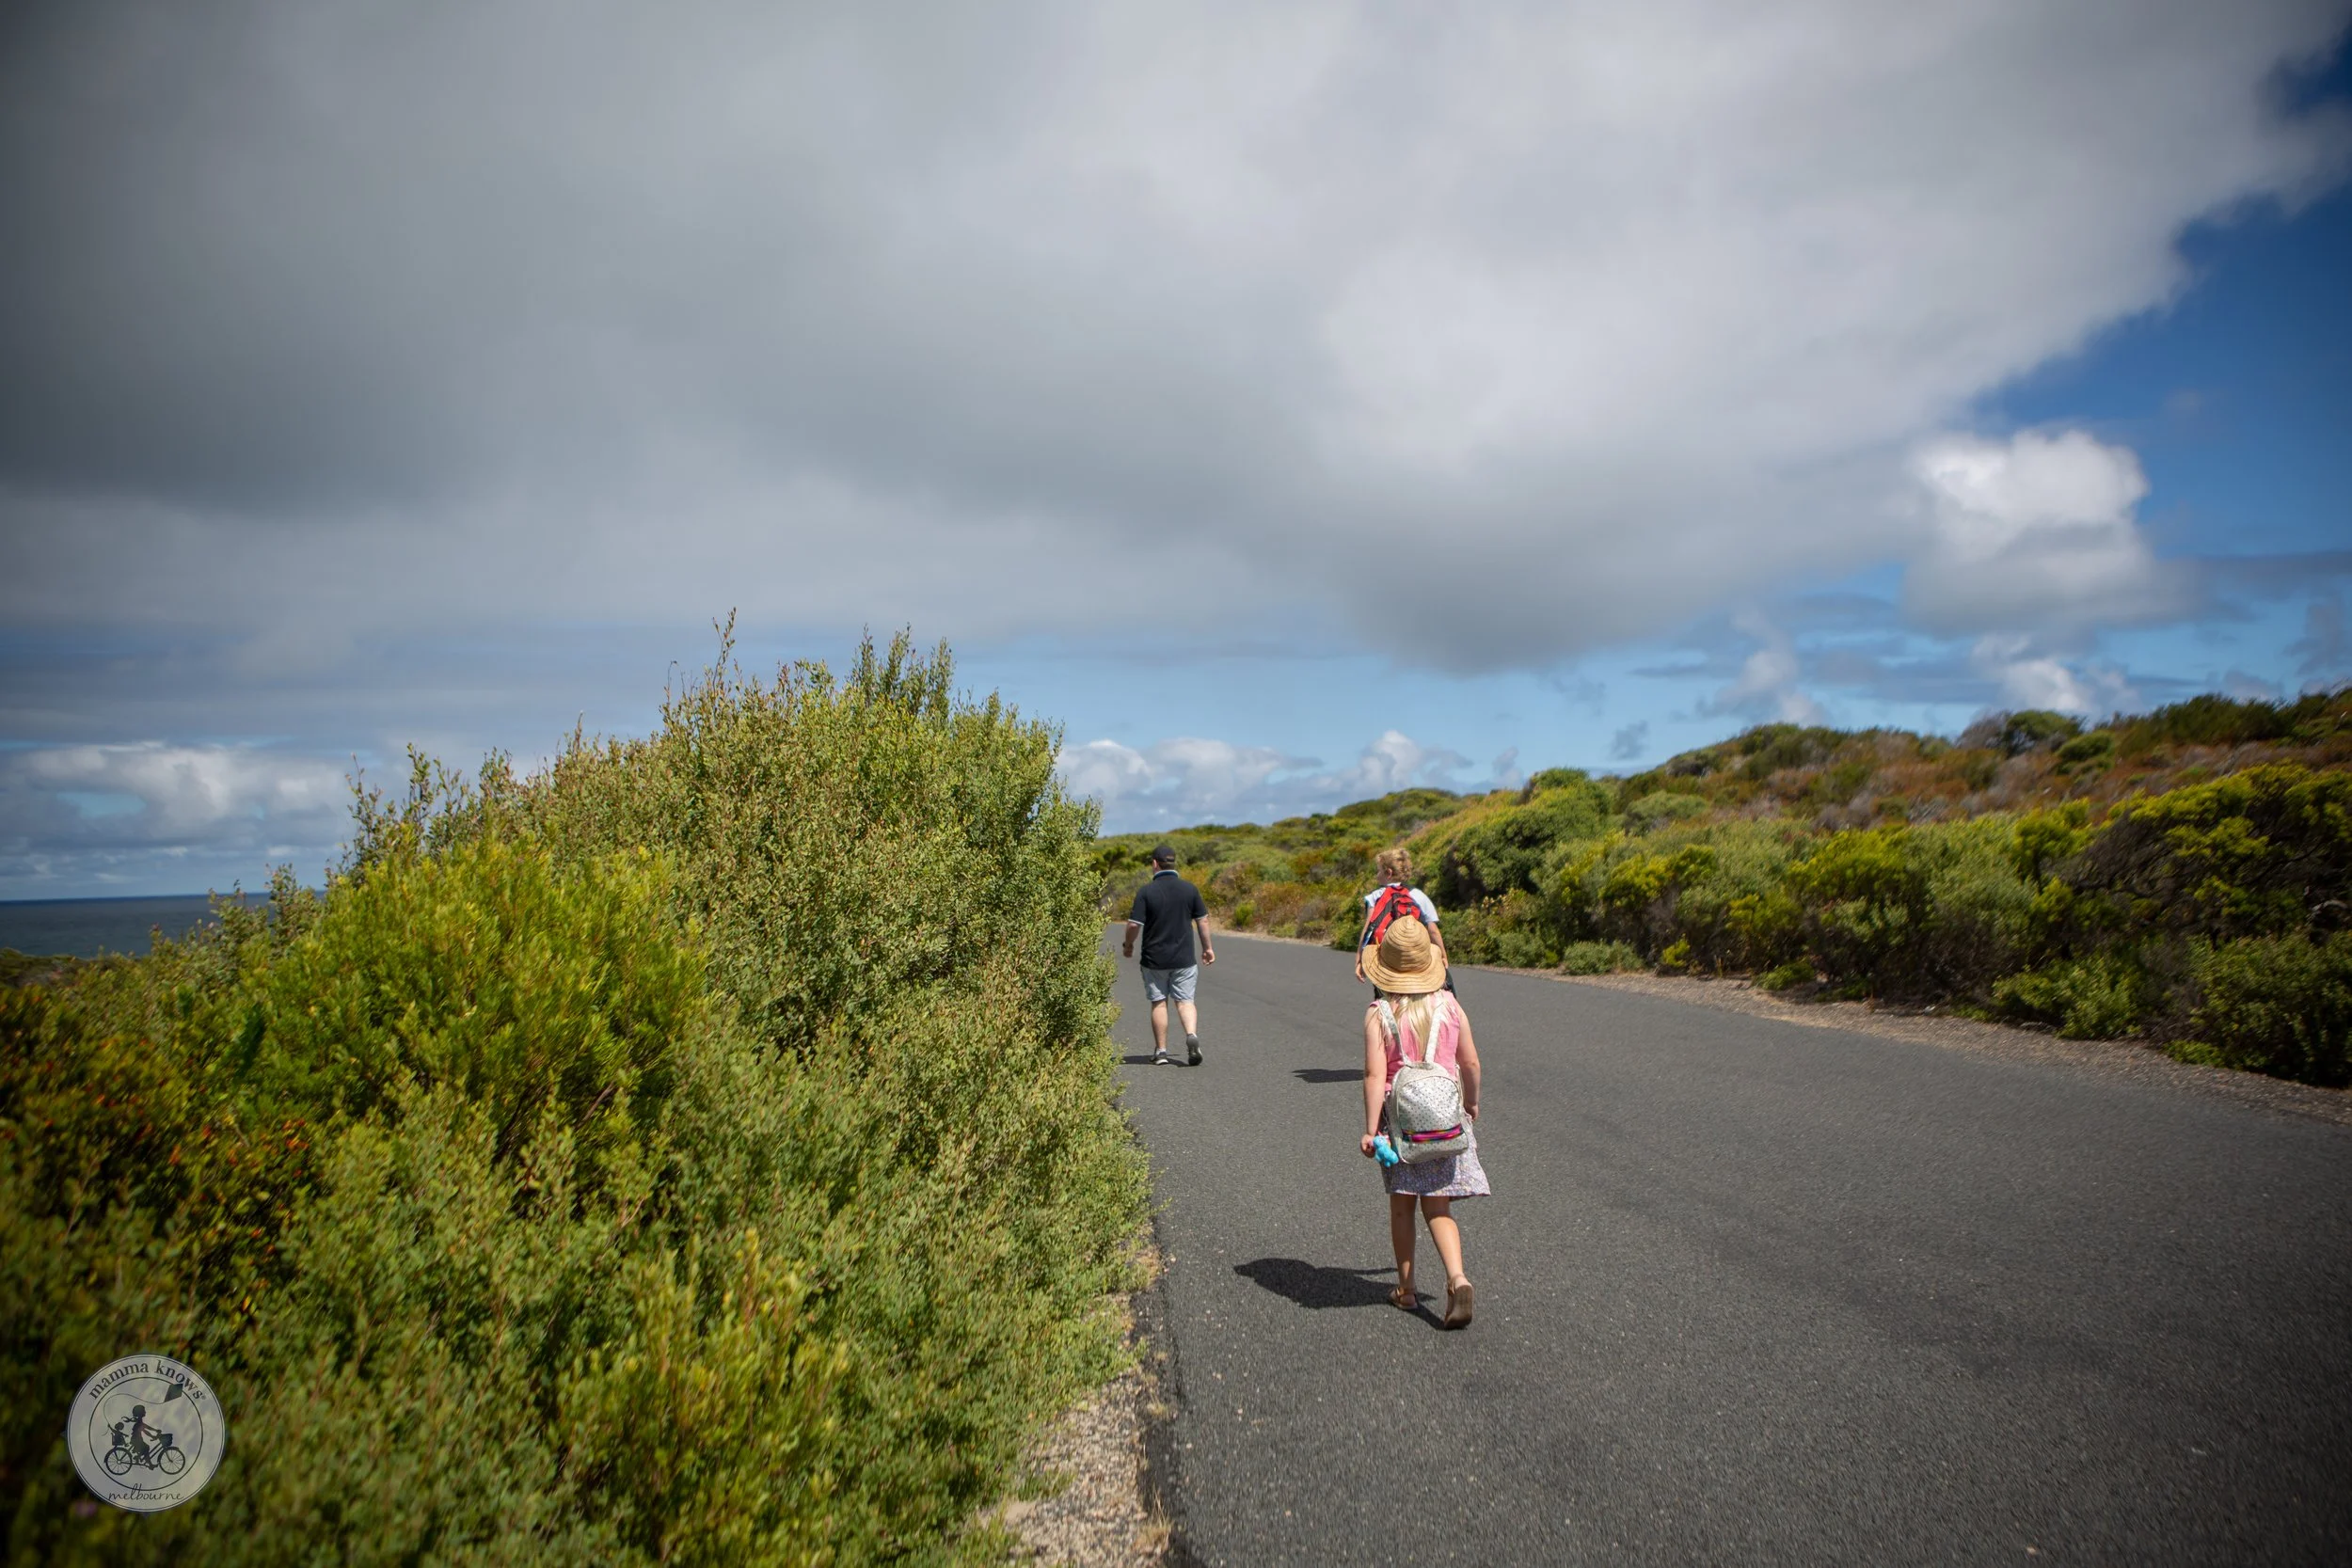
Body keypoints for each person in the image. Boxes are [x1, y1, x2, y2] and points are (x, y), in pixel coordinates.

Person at [1359, 915, 1486, 1328]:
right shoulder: (1451, 1005)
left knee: (1402, 1208)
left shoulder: (1380, 1013)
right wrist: (1472, 1102)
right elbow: (1469, 1061)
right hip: (1445, 1120)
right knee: (1439, 1205)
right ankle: (1457, 1277)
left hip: (1400, 1125)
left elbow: (1375, 1075)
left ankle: (1407, 1290)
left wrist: (1369, 1127)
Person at [1122, 845, 1216, 1065]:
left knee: (1159, 1003)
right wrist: (1207, 948)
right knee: (1185, 1001)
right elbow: (1202, 920)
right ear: (1173, 863)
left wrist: (1128, 945)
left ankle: (1161, 1052)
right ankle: (1191, 1036)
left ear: (1155, 863)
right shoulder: (1189, 889)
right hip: (1184, 958)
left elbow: (1134, 924)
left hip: (1154, 960)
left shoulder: (1146, 891)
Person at [1354, 846, 1454, 994]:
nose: (1376, 875)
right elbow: (1433, 930)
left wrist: (1360, 960)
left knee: (1385, 999)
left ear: (1388, 873)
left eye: (1379, 870)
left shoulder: (1375, 896)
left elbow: (1369, 929)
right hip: (1414, 956)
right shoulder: (1418, 895)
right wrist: (1443, 956)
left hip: (1386, 958)